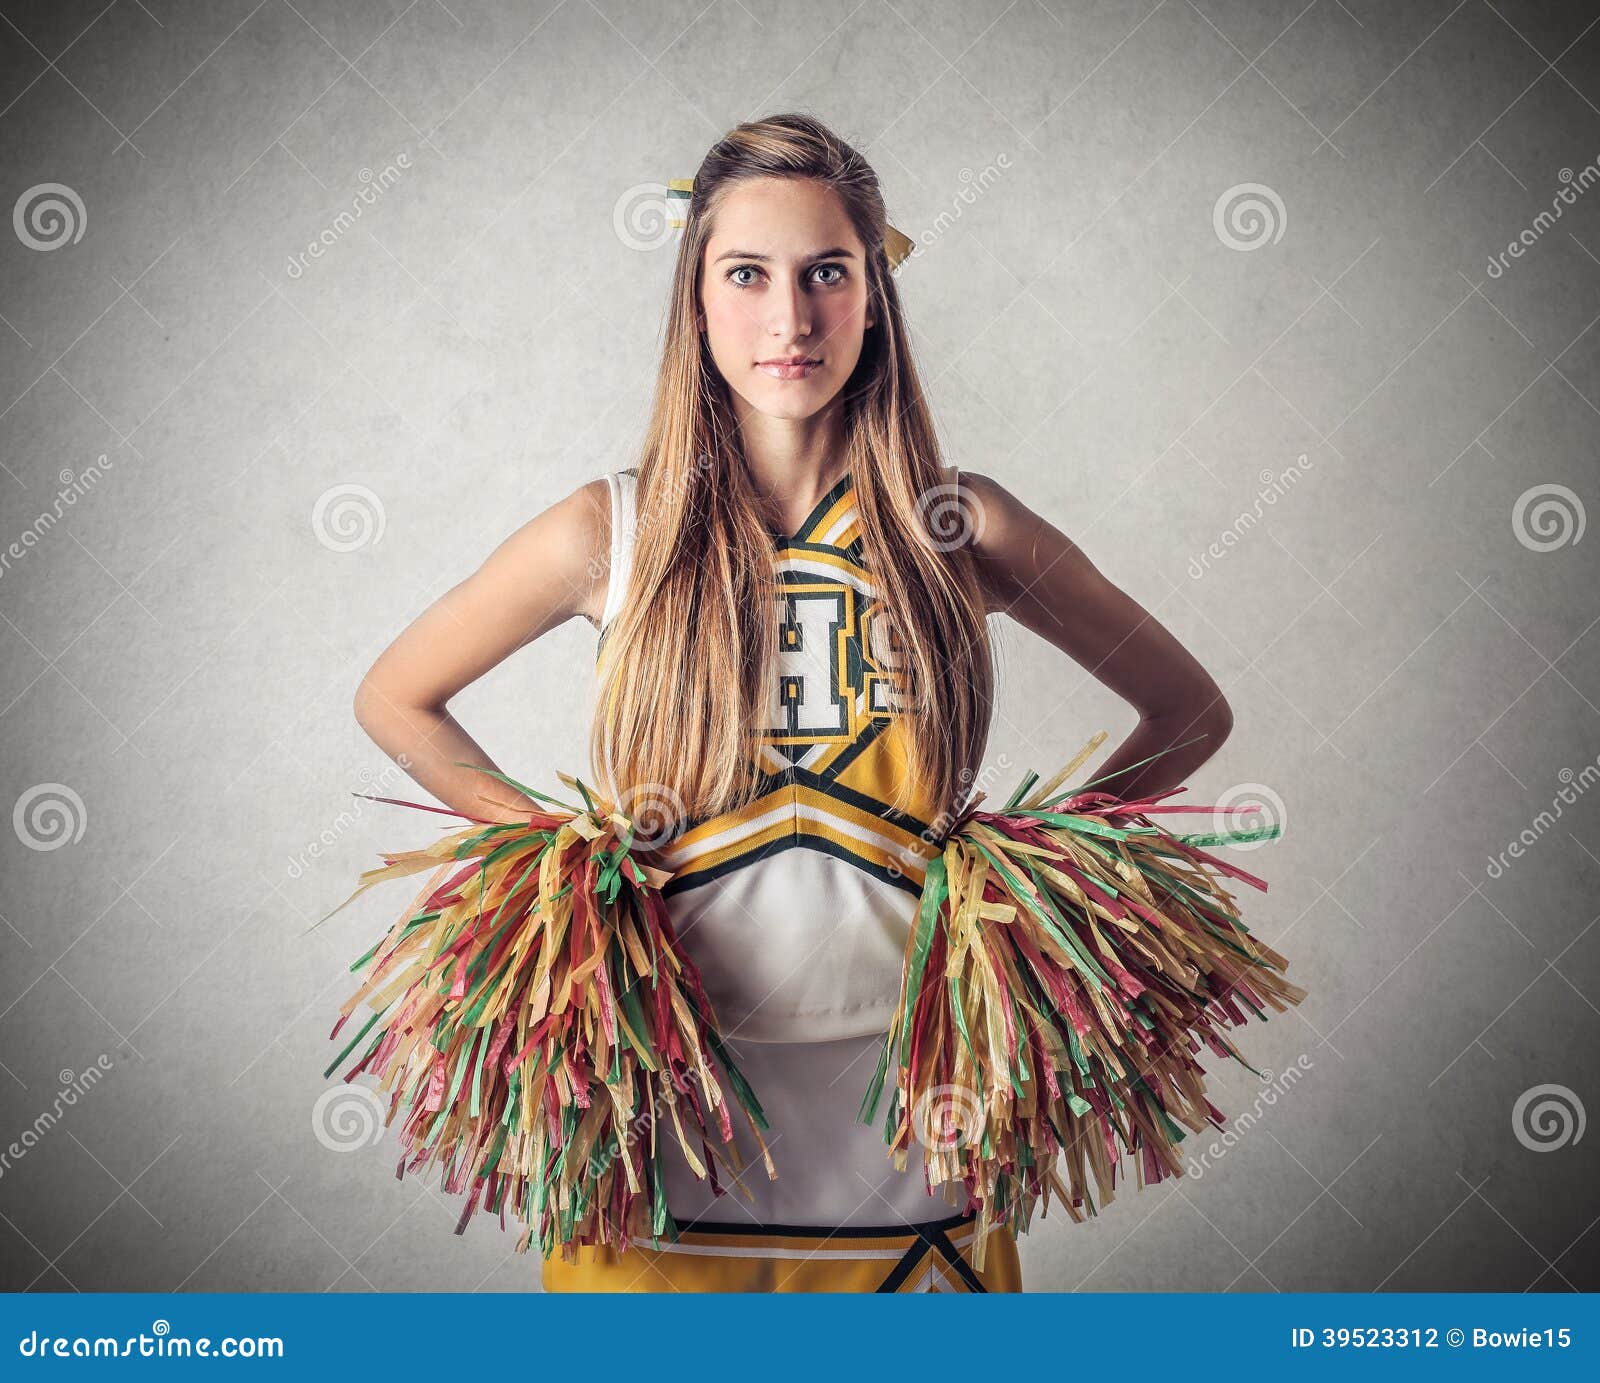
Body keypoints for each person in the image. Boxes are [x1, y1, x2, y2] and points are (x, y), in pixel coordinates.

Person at [351, 113, 1234, 1293]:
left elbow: (1186, 711)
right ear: (697, 299)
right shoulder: (613, 529)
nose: (789, 317)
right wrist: (560, 880)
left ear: (875, 295)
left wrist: (1036, 884)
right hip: (669, 1123)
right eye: (747, 274)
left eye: (828, 272)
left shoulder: (959, 524)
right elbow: (397, 697)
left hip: (914, 1124)